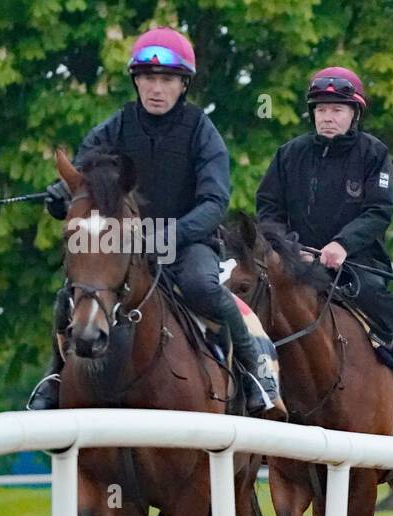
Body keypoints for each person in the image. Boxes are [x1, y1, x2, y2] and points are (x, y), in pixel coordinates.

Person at [29, 27, 282, 415]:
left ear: (183, 85)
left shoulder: (201, 130)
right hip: (122, 241)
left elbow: (214, 202)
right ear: (136, 81)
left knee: (202, 286)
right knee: (72, 291)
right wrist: (59, 194)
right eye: (148, 78)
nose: (156, 89)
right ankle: (55, 377)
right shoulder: (115, 126)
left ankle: (255, 376)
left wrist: (171, 234)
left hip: (187, 243)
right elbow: (82, 178)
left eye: (167, 80)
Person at [257, 65, 393, 395]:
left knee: (372, 292)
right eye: (321, 110)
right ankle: (248, 369)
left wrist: (342, 245)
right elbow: (268, 209)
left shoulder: (374, 153)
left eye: (337, 110)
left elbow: (378, 211)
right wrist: (290, 248)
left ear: (354, 114)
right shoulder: (289, 154)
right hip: (297, 260)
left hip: (357, 261)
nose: (327, 117)